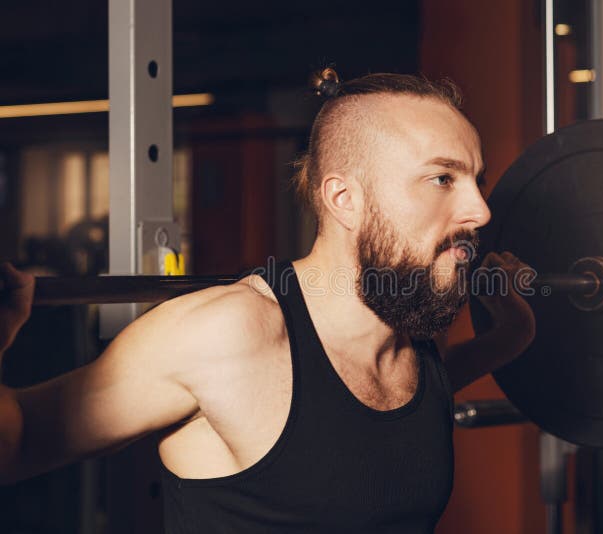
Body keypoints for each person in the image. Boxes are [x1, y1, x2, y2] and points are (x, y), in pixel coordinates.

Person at [0, 69, 536, 533]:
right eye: (443, 178)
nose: (480, 211)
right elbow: (20, 441)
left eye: (476, 180)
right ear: (344, 199)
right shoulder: (227, 335)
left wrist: (513, 331)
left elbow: (397, 410)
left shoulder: (405, 343)